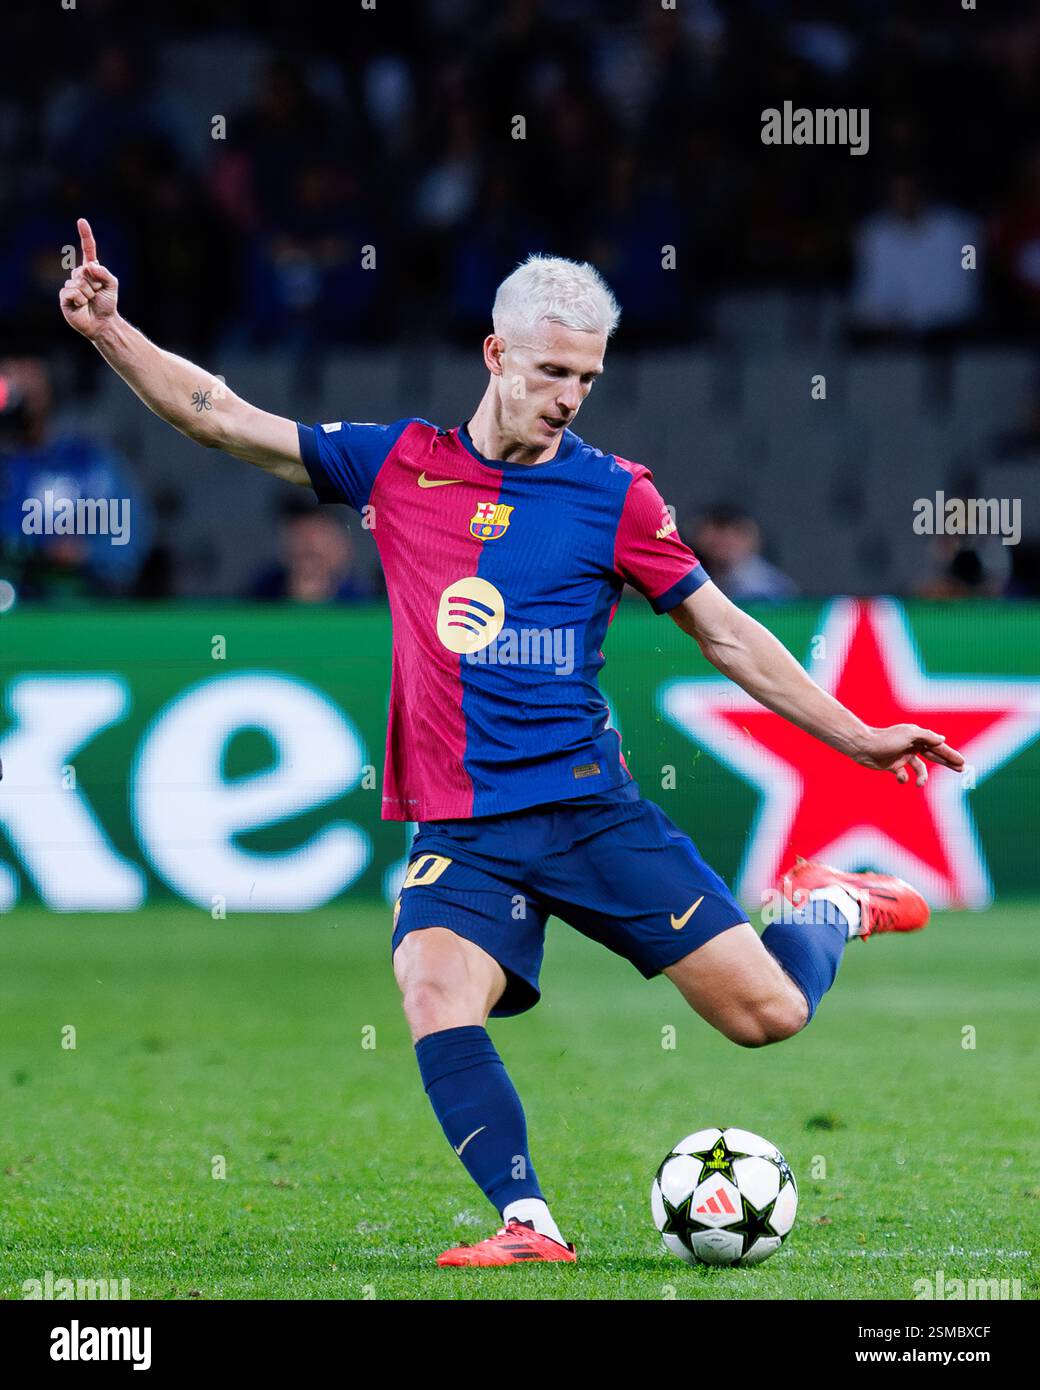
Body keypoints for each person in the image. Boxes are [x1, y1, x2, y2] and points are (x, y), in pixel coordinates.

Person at [61, 220, 964, 1267]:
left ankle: (825, 905)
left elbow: (722, 629)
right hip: (463, 826)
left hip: (588, 811)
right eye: (550, 372)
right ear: (495, 355)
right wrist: (111, 331)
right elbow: (224, 420)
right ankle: (526, 1221)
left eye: (585, 376)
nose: (569, 395)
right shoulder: (398, 464)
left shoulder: (613, 493)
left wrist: (854, 735)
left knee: (764, 1016)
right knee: (433, 989)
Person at [688, 504, 798, 601]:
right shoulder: (694, 576)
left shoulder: (766, 585)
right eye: (717, 531)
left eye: (736, 532)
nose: (725, 539)